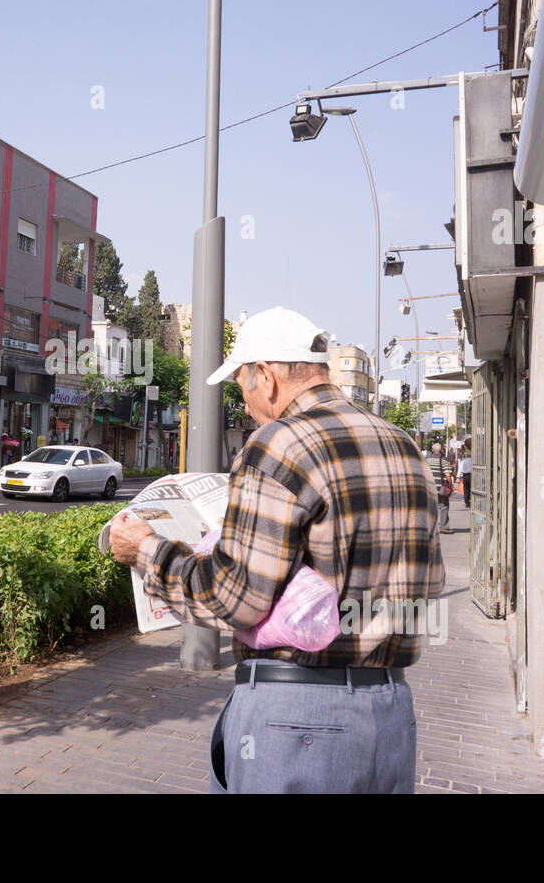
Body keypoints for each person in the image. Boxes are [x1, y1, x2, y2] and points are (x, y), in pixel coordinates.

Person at [107, 307, 444, 794]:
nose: (244, 405)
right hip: (391, 714)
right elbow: (424, 585)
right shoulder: (404, 445)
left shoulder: (278, 444)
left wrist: (147, 551)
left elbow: (233, 597)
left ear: (265, 376)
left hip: (301, 717)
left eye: (242, 387)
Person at [427, 441, 454, 534]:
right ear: (441, 450)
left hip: (428, 487)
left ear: (432, 450)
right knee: (443, 507)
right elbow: (448, 475)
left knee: (429, 507)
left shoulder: (426, 460)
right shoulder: (444, 460)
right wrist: (450, 485)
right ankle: (444, 527)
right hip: (441, 488)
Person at [459, 439, 473, 509]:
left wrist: (458, 477)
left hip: (465, 476)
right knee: (472, 488)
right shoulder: (473, 461)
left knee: (466, 489)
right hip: (471, 476)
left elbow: (460, 469)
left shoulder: (463, 461)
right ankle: (472, 500)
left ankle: (467, 502)